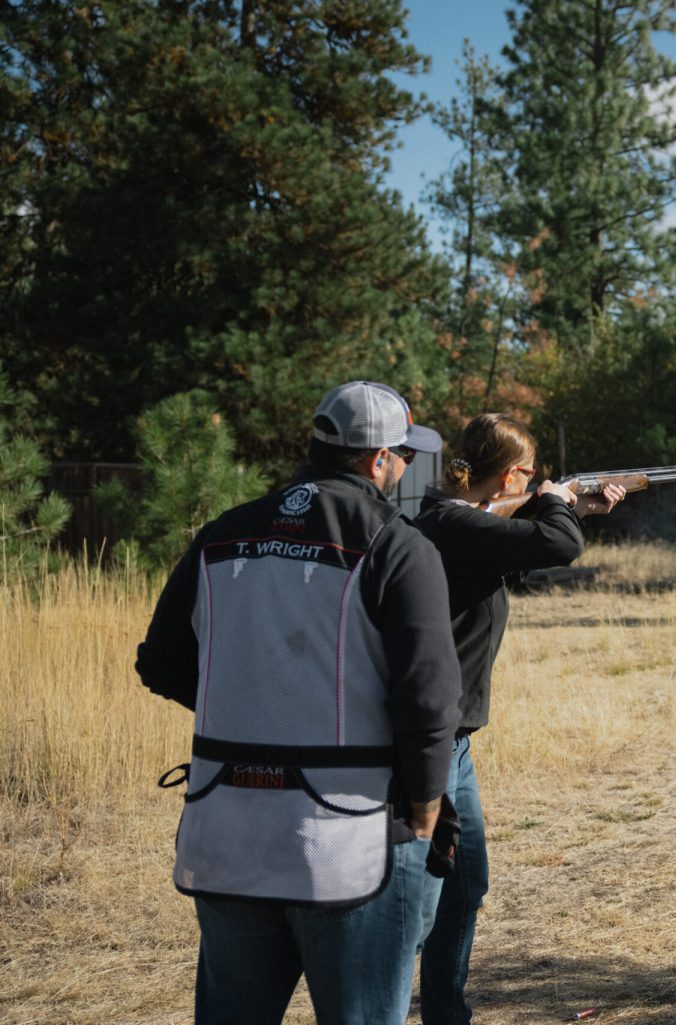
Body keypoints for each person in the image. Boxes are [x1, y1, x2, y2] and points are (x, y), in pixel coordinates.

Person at [134, 381, 462, 1025]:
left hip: (228, 826)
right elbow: (428, 698)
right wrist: (424, 814)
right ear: (378, 460)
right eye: (401, 455)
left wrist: (258, 710)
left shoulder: (221, 535)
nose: (401, 468)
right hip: (354, 837)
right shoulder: (398, 544)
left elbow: (161, 663)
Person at [412, 413, 624, 1025]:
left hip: (453, 741)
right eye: (533, 474)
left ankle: (446, 1015)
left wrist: (574, 509)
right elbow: (556, 545)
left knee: (462, 889)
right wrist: (559, 506)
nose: (540, 482)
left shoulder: (461, 521)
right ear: (511, 475)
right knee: (426, 897)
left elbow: (524, 556)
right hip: (432, 740)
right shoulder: (451, 521)